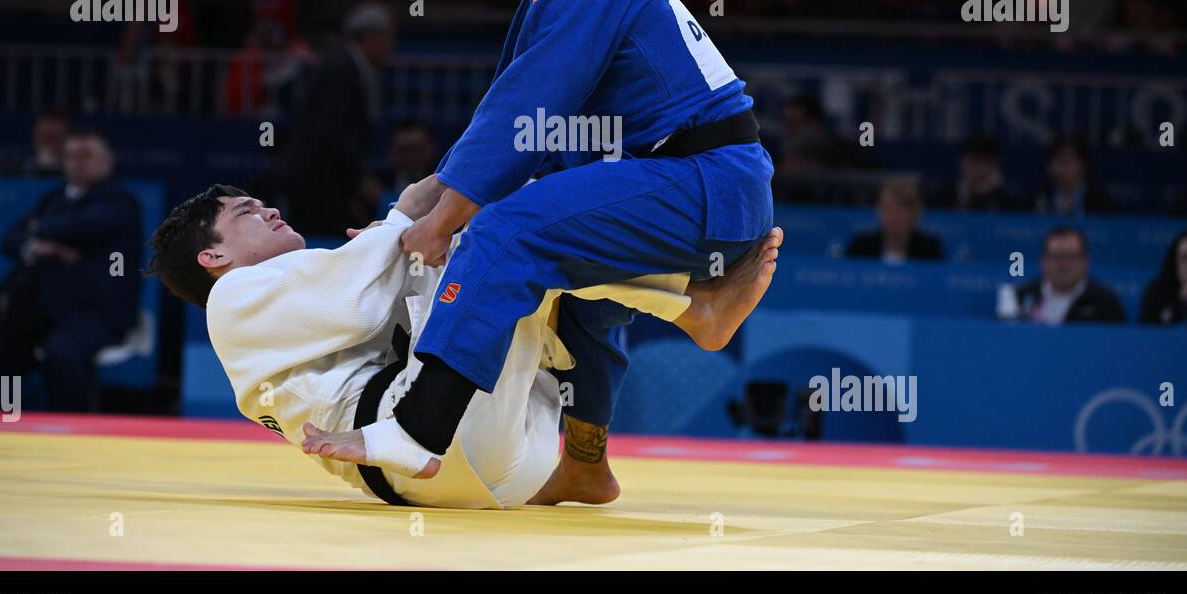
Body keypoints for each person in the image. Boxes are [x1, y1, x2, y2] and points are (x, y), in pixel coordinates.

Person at [317, 0, 778, 486]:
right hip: (689, 180)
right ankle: (588, 462)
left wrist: (443, 224)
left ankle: (419, 428)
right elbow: (508, 131)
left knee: (509, 230)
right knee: (566, 281)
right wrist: (403, 222)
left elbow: (518, 119)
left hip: (702, 181)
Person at [146, 180, 779, 509]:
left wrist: (416, 241)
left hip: (472, 466)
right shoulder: (233, 300)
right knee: (506, 233)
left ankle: (587, 464)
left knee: (544, 270)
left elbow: (392, 299)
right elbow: (370, 289)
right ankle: (693, 307)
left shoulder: (277, 306)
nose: (269, 210)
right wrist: (419, 211)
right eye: (247, 213)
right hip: (432, 438)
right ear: (213, 255)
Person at [0, 129, 143, 410]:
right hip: (43, 314)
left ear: (108, 160)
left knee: (62, 355)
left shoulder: (120, 201)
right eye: (70, 156)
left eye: (86, 155)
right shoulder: (53, 199)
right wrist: (40, 247)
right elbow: (10, 238)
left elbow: (82, 228)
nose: (76, 163)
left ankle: (70, 437)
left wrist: (41, 234)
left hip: (95, 316)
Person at [274, 1, 393, 235]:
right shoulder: (342, 69)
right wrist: (358, 178)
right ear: (371, 36)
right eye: (388, 37)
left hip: (325, 179)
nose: (392, 45)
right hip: (317, 181)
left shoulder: (348, 66)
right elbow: (333, 130)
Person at [1015, 226, 1126, 325]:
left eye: (1071, 257)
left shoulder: (1106, 303)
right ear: (1043, 261)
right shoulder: (1021, 297)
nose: (1064, 264)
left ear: (1085, 262)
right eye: (1057, 256)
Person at [846, 175, 945, 262]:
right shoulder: (860, 247)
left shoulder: (930, 250)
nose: (893, 217)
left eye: (900, 210)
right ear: (878, 210)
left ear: (914, 214)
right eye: (888, 209)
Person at [1140, 229, 1187, 327]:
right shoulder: (1156, 292)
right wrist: (1181, 306)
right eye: (1184, 258)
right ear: (1175, 262)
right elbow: (1145, 336)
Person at [929, 134, 1027, 212]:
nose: (982, 169)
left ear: (997, 165)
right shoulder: (942, 198)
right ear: (962, 162)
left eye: (988, 163)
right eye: (976, 162)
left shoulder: (1009, 202)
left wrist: (994, 194)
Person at [1033, 135, 1117, 215]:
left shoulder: (1103, 202)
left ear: (1083, 165)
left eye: (1066, 161)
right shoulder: (1035, 200)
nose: (1058, 167)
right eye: (1054, 161)